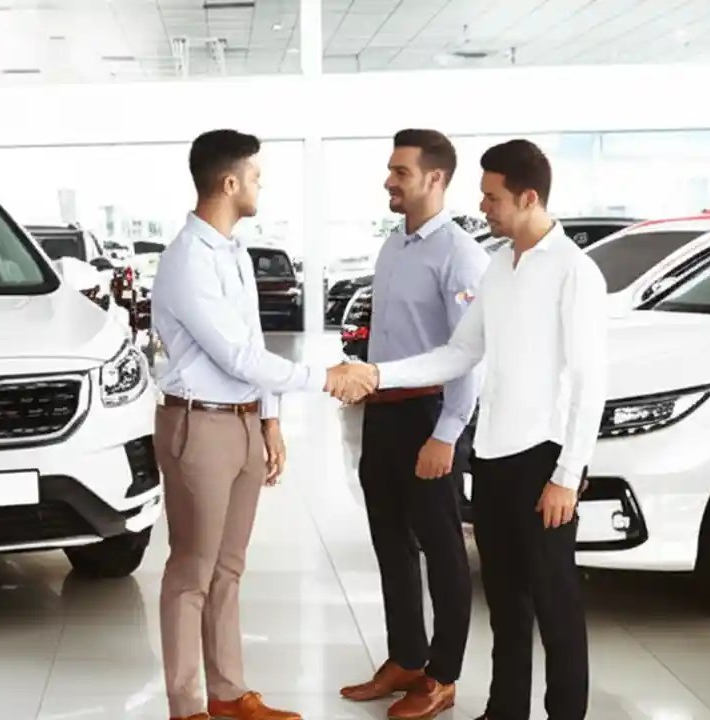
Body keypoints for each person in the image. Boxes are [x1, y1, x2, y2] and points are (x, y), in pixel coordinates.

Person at [342, 139, 605, 720]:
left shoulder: (574, 272)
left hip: (544, 462)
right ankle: (503, 711)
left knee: (556, 608)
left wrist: (568, 475)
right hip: (491, 458)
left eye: (493, 197)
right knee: (507, 606)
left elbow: (590, 383)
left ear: (529, 197)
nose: (482, 206)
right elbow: (459, 352)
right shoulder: (501, 267)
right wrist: (377, 373)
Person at [152, 128, 376, 720]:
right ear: (228, 183)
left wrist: (271, 421)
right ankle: (186, 706)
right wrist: (326, 378)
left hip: (245, 424)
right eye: (254, 177)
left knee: (229, 568)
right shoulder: (186, 261)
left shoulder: (235, 252)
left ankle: (228, 695)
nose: (260, 185)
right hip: (198, 426)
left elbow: (253, 341)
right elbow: (237, 357)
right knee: (191, 571)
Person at [338, 129, 489, 720]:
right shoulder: (394, 246)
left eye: (400, 172)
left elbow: (469, 354)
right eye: (390, 169)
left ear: (436, 179)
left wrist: (448, 433)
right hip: (385, 414)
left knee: (443, 550)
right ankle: (406, 657)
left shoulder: (459, 253)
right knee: (390, 542)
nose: (388, 181)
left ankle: (443, 676)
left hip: (431, 416)